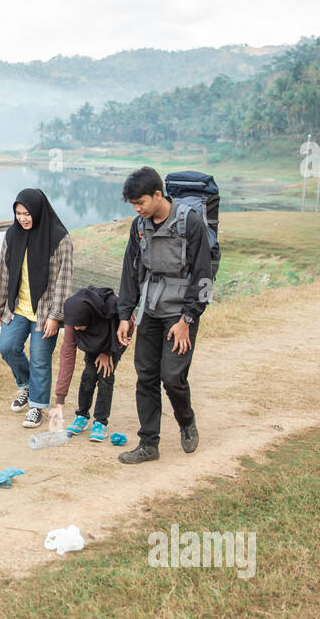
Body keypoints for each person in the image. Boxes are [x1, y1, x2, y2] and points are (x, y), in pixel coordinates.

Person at [115, 167, 212, 464]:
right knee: (145, 376)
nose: (137, 208)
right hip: (150, 309)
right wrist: (125, 315)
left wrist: (188, 320)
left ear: (158, 195)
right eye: (133, 204)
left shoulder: (189, 223)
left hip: (181, 312)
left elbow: (204, 277)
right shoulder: (139, 226)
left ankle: (186, 421)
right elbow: (131, 272)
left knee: (172, 377)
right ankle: (148, 443)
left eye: (141, 202)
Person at [0, 188, 73, 428]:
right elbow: (4, 274)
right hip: (17, 307)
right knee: (7, 347)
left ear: (37, 211)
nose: (22, 218)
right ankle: (26, 386)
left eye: (27, 213)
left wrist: (56, 316)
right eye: (18, 213)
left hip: (45, 311)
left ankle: (36, 406)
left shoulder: (59, 238)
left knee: (39, 358)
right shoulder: (12, 235)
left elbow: (63, 282)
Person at [50, 286, 125, 442]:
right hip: (94, 339)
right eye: (74, 325)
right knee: (89, 374)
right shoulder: (74, 316)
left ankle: (100, 422)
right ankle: (82, 416)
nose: (76, 328)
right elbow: (68, 355)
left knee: (106, 374)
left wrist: (108, 353)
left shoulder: (114, 307)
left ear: (88, 317)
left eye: (79, 325)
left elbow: (127, 329)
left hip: (114, 337)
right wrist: (59, 400)